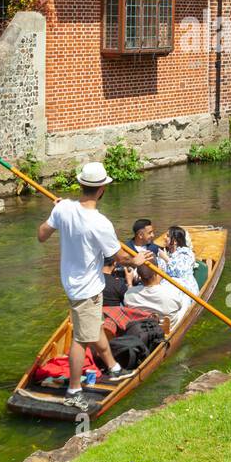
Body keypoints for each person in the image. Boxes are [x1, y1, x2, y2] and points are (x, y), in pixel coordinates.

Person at [37, 161, 149, 411]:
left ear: (80, 185)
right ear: (102, 190)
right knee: (80, 338)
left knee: (92, 325)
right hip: (86, 289)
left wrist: (57, 214)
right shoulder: (100, 223)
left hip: (73, 284)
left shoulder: (63, 208)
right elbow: (119, 257)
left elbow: (42, 235)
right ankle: (74, 390)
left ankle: (114, 368)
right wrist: (137, 259)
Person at [123, 263, 188, 329]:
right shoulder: (171, 292)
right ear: (156, 273)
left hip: (142, 329)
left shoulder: (129, 294)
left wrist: (129, 283)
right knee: (186, 300)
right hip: (168, 329)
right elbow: (179, 306)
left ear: (139, 276)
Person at [159, 225, 199, 295]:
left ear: (175, 241)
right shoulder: (166, 252)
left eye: (168, 236)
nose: (164, 237)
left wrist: (166, 259)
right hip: (167, 286)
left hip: (184, 289)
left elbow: (180, 272)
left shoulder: (186, 253)